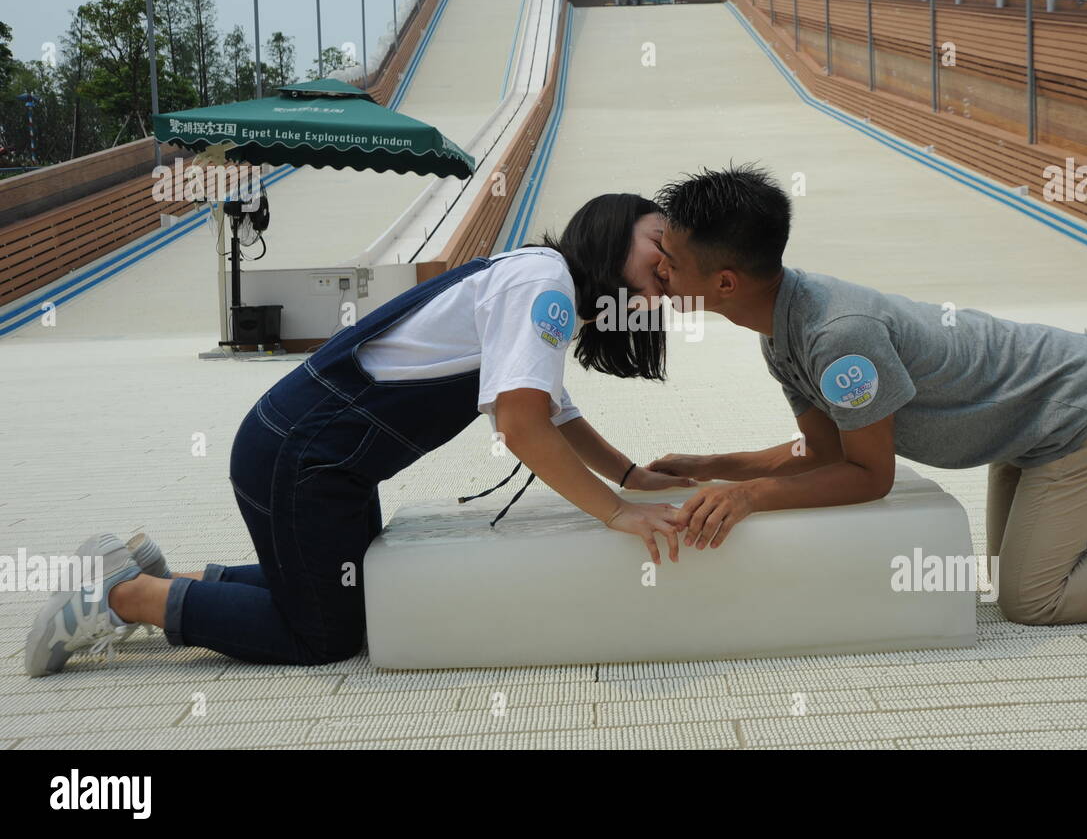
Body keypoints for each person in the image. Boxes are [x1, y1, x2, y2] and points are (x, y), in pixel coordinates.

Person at [26, 194, 693, 675]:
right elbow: (522, 427)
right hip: (303, 454)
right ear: (611, 226)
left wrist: (633, 476)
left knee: (340, 591)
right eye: (660, 240)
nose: (668, 266)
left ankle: (163, 576)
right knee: (323, 636)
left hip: (310, 455)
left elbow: (555, 414)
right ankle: (122, 597)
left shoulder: (542, 285)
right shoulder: (546, 285)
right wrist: (618, 513)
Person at [644, 163, 1087, 624]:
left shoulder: (837, 335)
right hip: (1024, 427)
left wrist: (750, 495)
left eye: (668, 259)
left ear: (726, 282)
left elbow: (868, 475)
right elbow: (819, 452)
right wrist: (710, 467)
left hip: (1083, 407)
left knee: (1032, 598)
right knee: (1029, 562)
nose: (656, 270)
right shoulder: (780, 328)